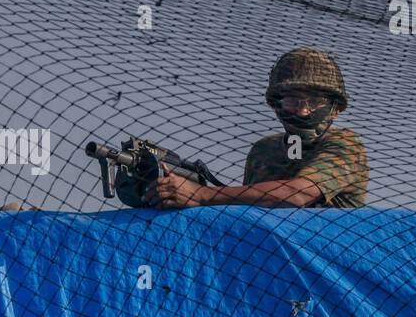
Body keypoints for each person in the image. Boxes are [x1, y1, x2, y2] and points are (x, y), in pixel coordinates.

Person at [145, 47, 368, 209]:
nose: (303, 112)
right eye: (293, 101)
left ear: (335, 109)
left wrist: (201, 194)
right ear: (276, 106)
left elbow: (298, 193)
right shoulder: (264, 151)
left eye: (313, 102)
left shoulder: (346, 144)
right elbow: (247, 210)